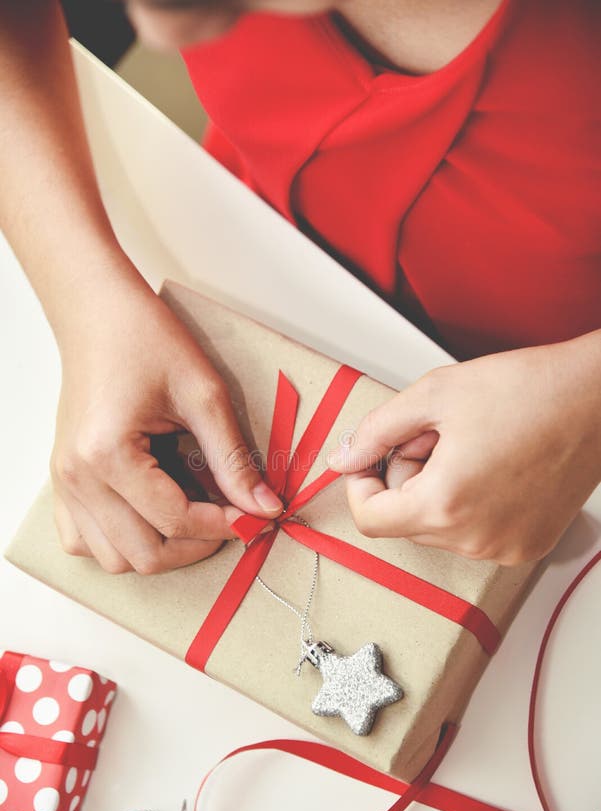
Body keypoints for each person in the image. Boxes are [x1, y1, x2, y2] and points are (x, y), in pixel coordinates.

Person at [1, 0, 599, 576]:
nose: (155, 35)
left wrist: (586, 400)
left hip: (536, 419)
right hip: (223, 263)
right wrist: (89, 305)